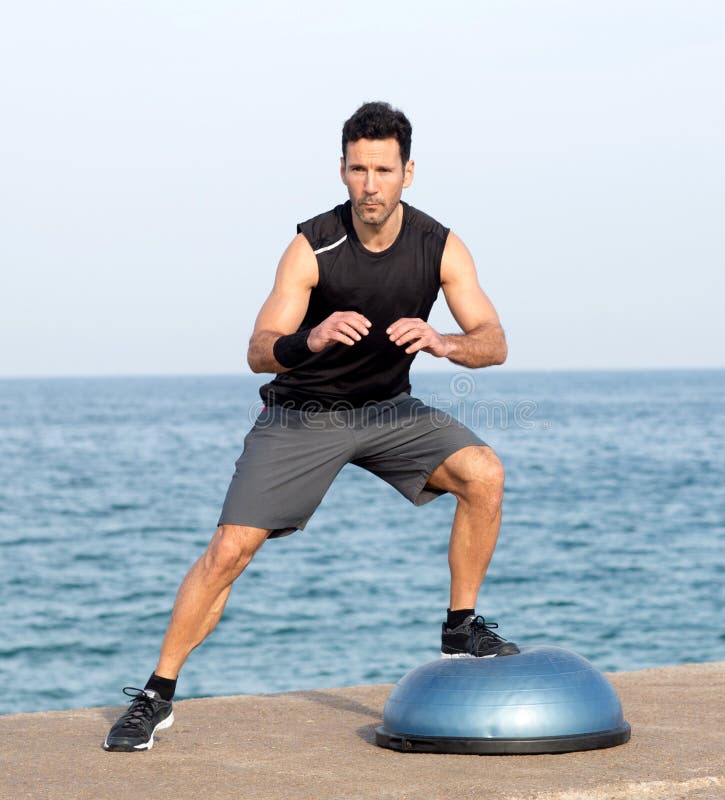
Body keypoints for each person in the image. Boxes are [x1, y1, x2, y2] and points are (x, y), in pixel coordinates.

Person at [104, 101, 519, 752]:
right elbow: (258, 349)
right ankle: (156, 695)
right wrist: (313, 337)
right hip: (302, 415)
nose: (370, 185)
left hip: (389, 411)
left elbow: (493, 341)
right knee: (229, 551)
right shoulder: (312, 246)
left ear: (408, 172)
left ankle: (460, 625)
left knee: (483, 472)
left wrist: (444, 341)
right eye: (358, 169)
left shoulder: (439, 245)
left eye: (383, 169)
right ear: (343, 171)